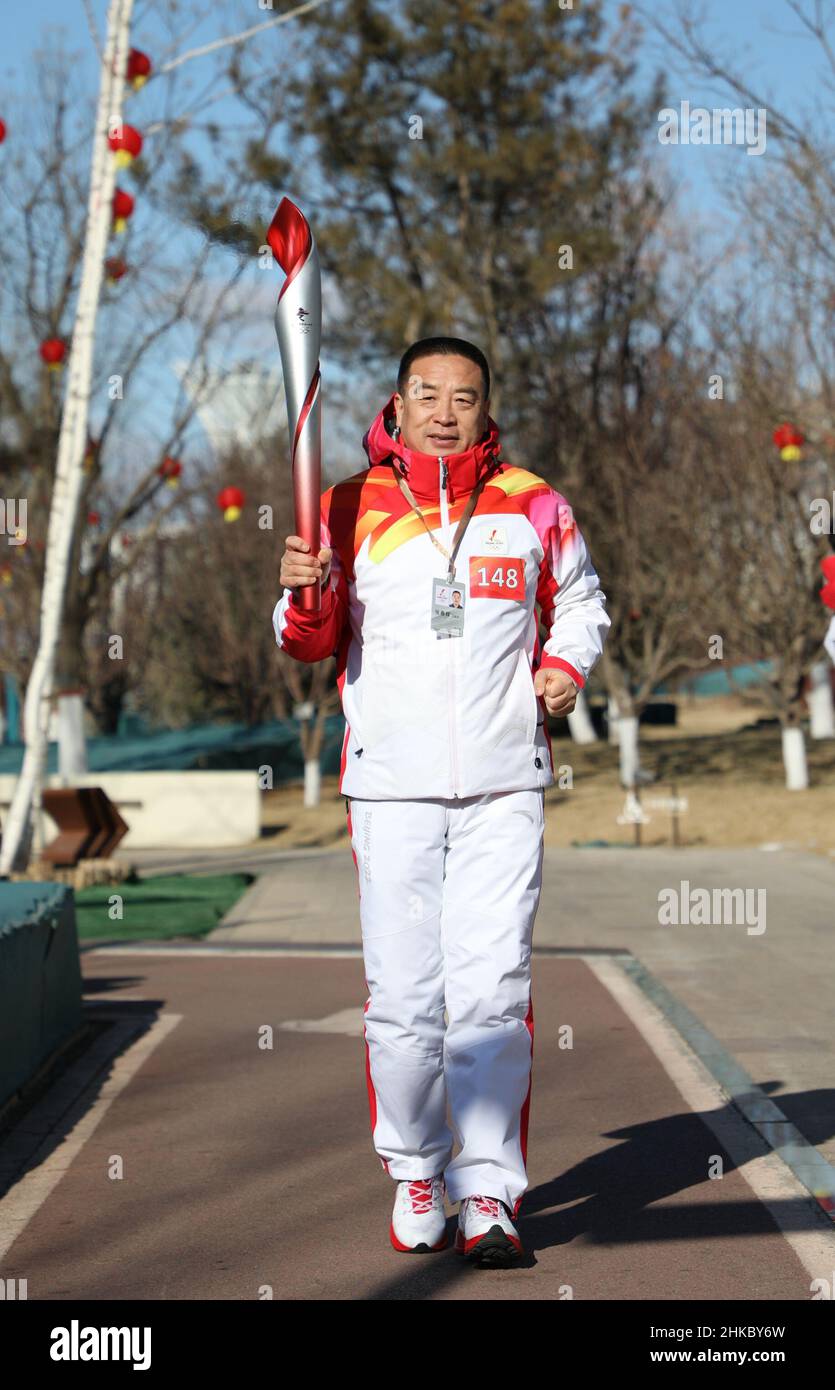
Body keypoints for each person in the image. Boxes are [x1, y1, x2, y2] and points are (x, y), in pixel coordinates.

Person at [273, 336, 610, 1266]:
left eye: (463, 396)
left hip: (505, 783)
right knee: (407, 1000)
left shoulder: (531, 502)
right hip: (391, 789)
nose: (445, 411)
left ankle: (490, 1193)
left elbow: (580, 599)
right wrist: (299, 597)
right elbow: (310, 639)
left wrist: (561, 666)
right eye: (428, 394)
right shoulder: (344, 504)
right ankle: (417, 1171)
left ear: (484, 405)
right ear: (398, 400)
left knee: (493, 993)